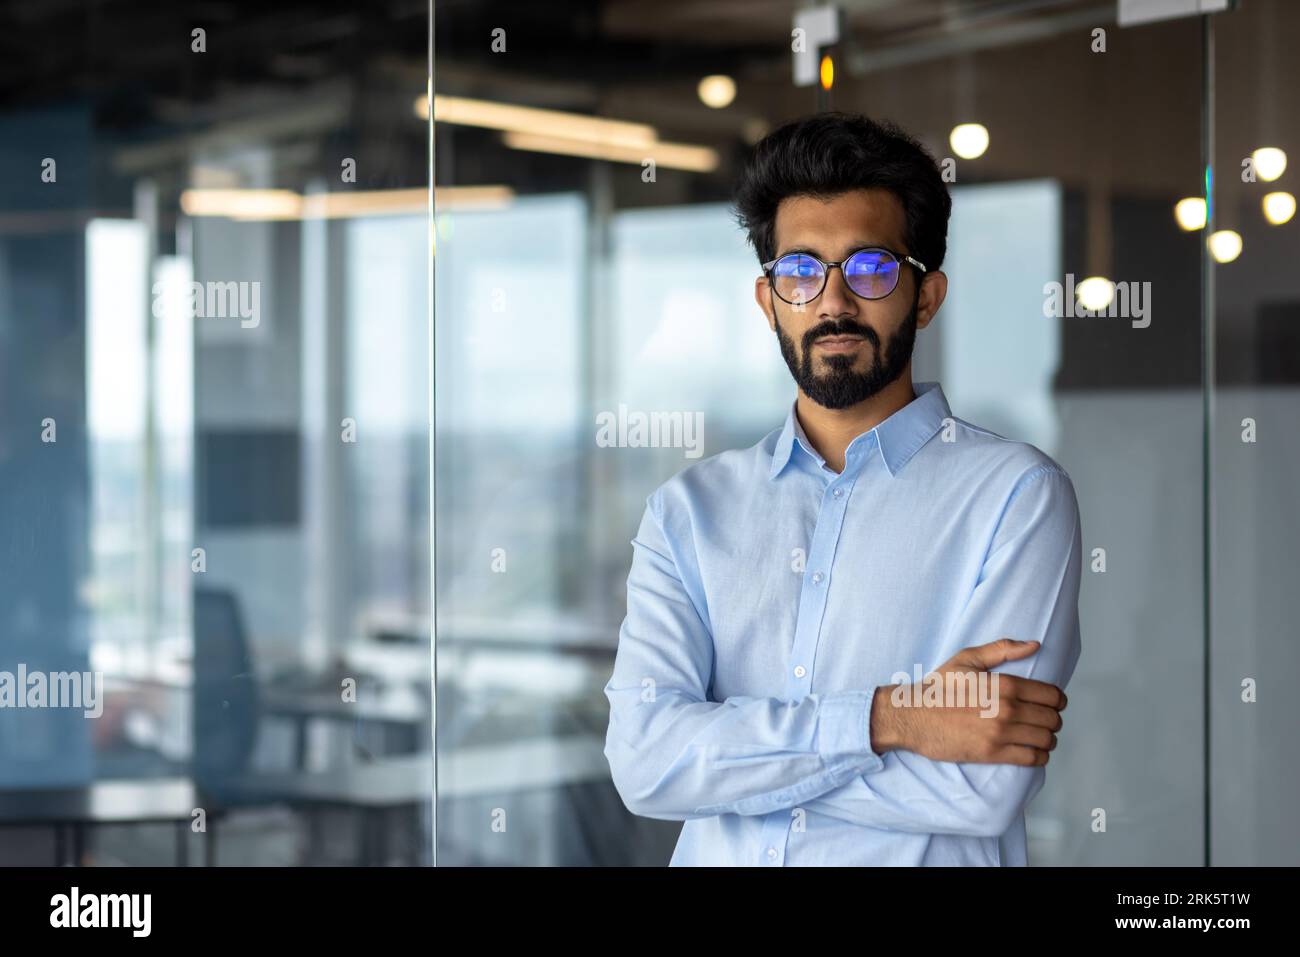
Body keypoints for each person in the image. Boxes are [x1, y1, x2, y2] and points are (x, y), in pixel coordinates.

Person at [603, 111, 1081, 866]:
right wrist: (892, 719)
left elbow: (977, 788)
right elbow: (644, 763)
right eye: (800, 270)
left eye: (871, 268)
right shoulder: (688, 514)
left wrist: (728, 761)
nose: (833, 302)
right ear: (769, 302)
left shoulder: (1015, 497)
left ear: (925, 296)